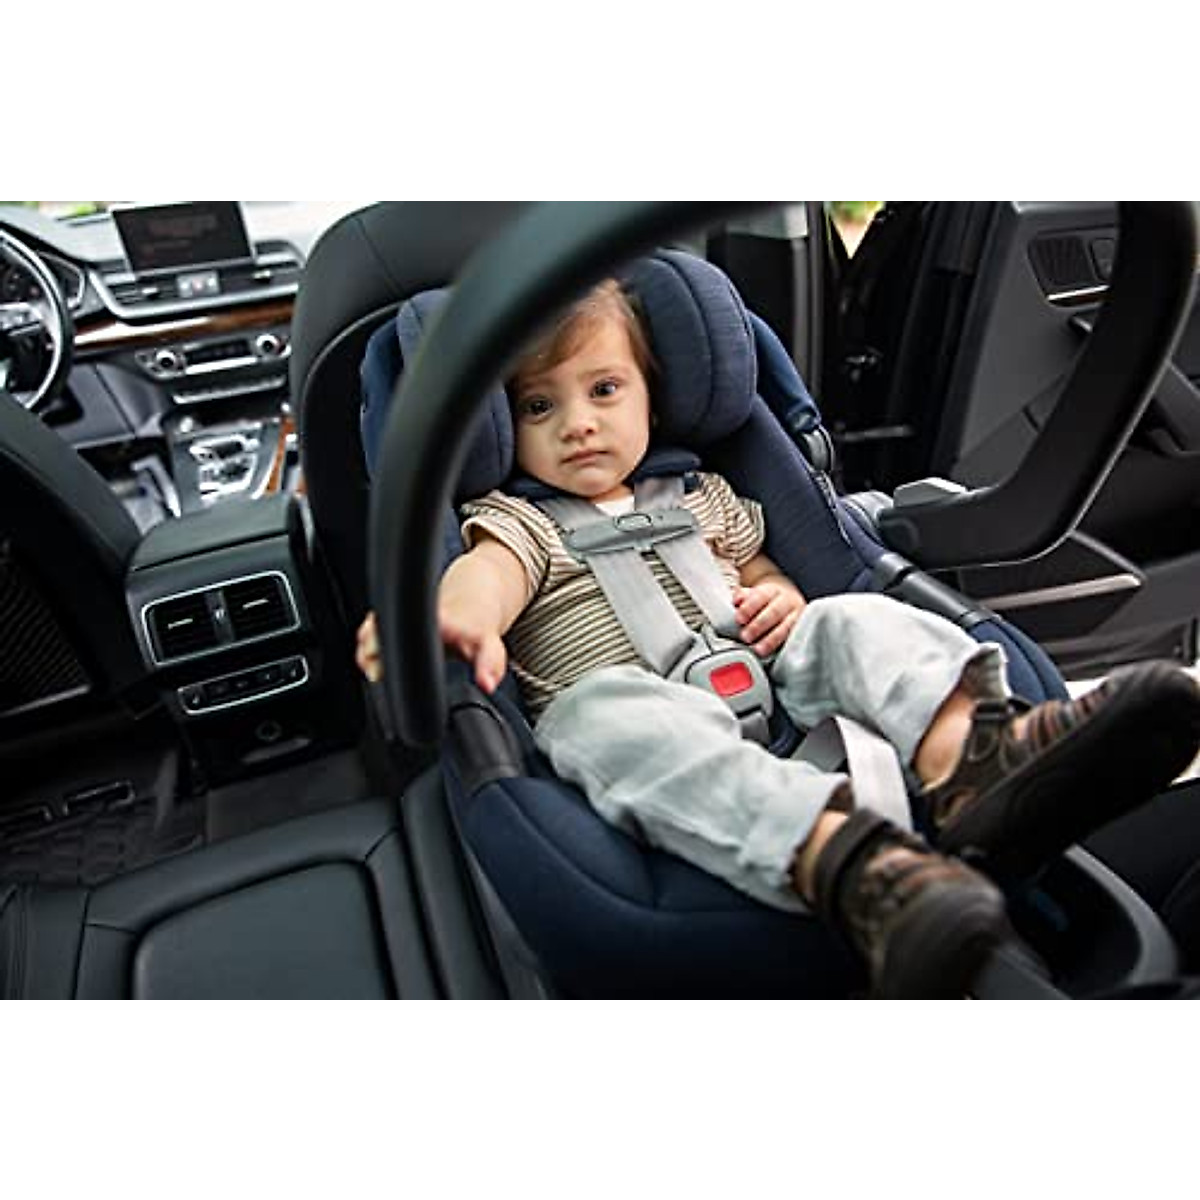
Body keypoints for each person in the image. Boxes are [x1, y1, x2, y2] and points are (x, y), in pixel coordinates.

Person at [357, 278, 1200, 997]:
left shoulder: (705, 493)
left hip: (775, 682)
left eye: (604, 389)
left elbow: (763, 569)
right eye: (539, 406)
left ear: (652, 396)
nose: (577, 423)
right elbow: (488, 579)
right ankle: (858, 868)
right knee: (601, 713)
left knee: (850, 619)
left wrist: (782, 600)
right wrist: (447, 617)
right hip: (639, 715)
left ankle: (974, 760)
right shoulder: (515, 519)